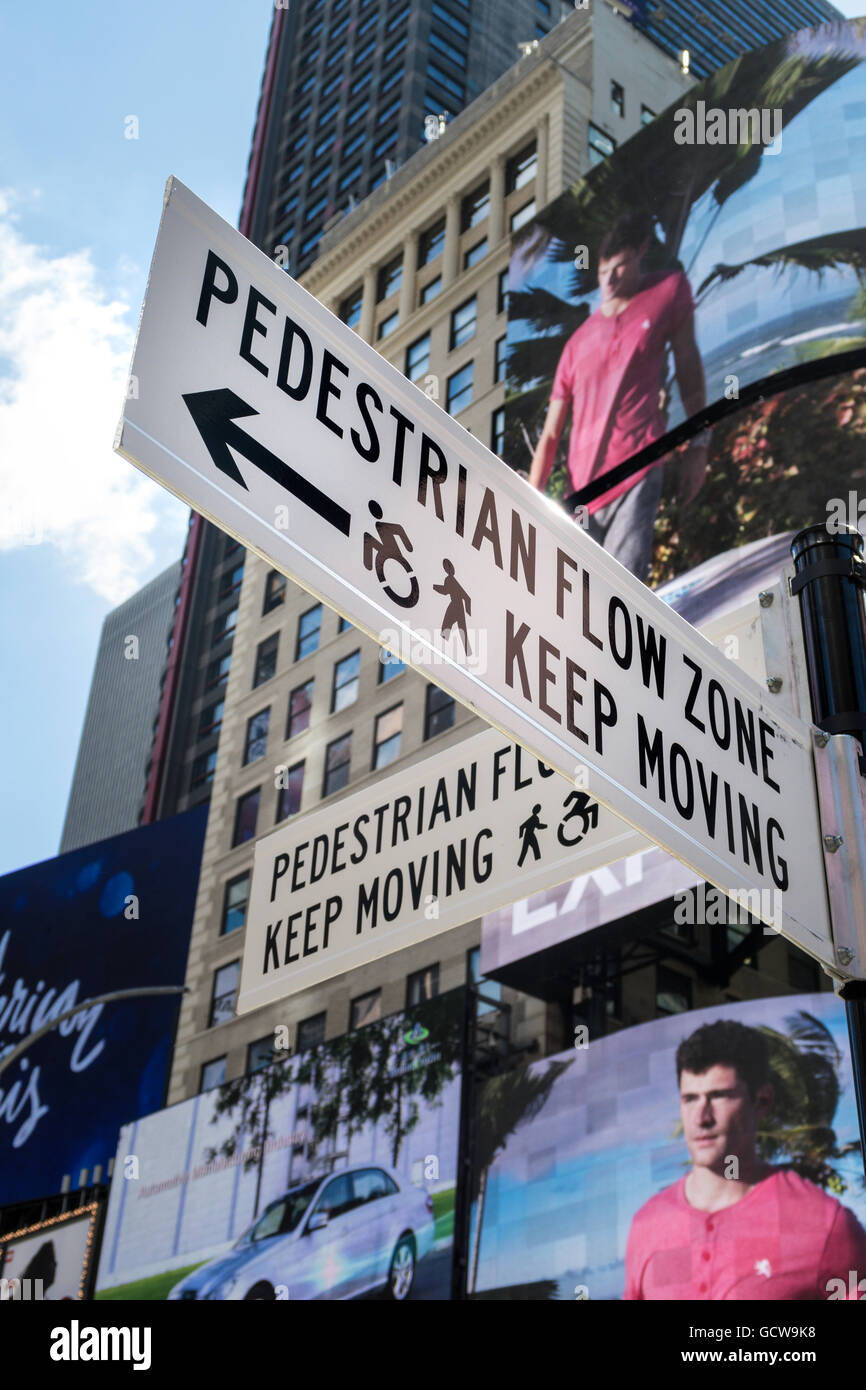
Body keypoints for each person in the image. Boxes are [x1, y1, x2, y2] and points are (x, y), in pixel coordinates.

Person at [624, 1020, 866, 1300]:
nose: (701, 1118)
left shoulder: (825, 1224)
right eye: (690, 1099)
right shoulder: (647, 1225)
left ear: (761, 1102)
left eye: (719, 1096)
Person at [528, 209, 710, 582]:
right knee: (581, 602)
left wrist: (699, 445)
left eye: (621, 266)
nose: (610, 279)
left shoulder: (669, 290)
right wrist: (529, 502)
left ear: (641, 251)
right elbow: (550, 434)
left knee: (623, 591)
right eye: (603, 270)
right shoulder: (576, 345)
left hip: (638, 468)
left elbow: (689, 369)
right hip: (582, 493)